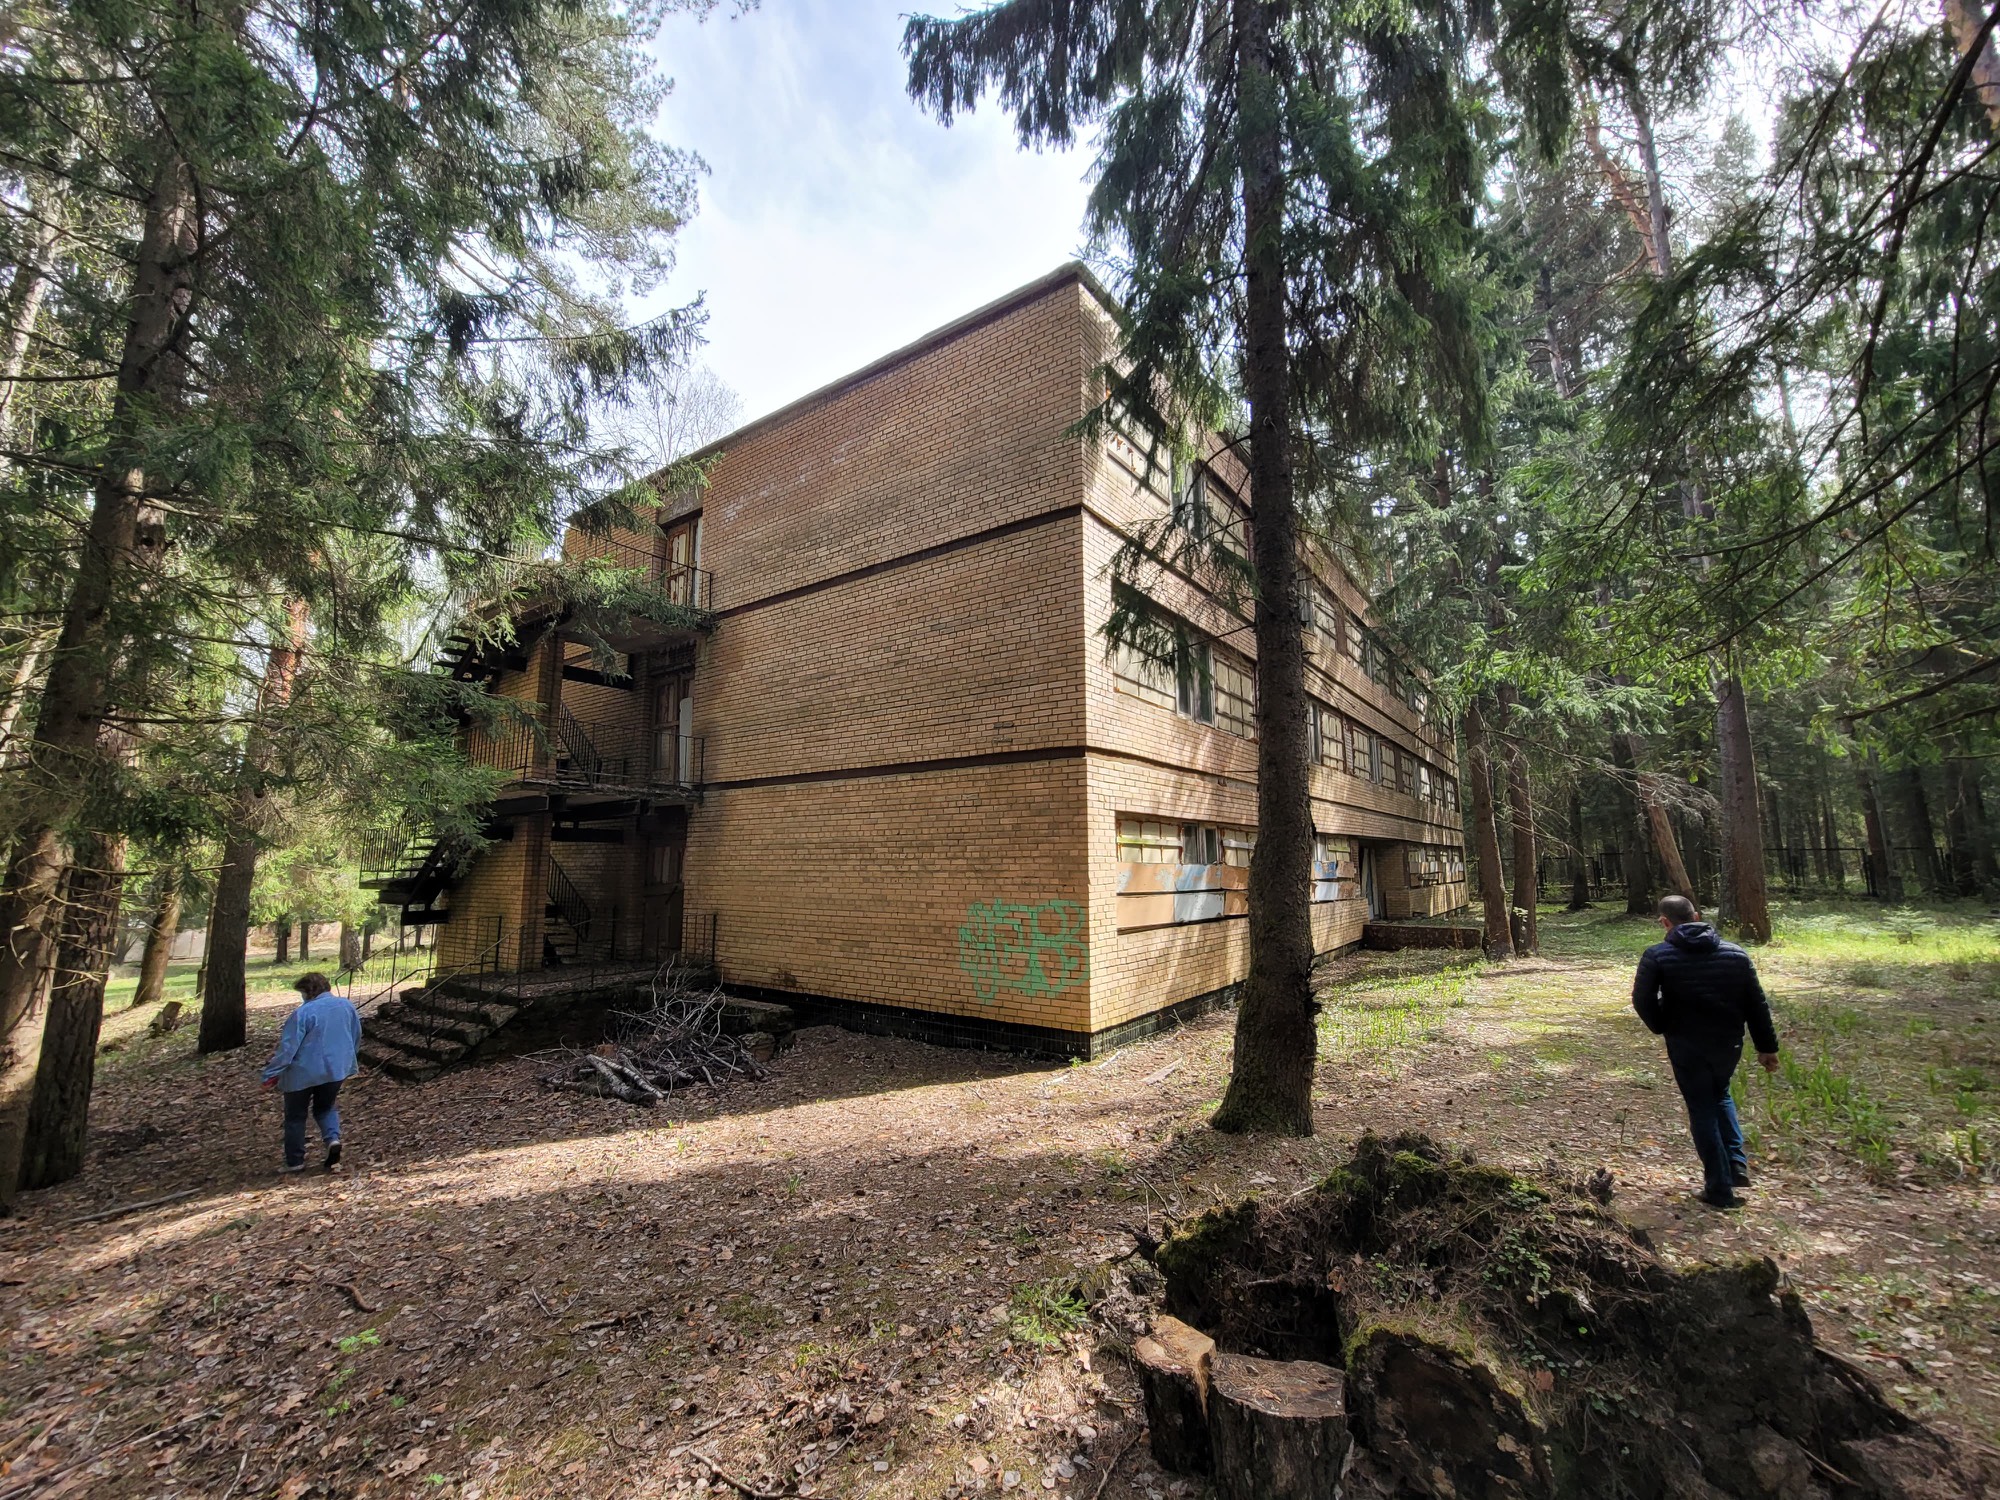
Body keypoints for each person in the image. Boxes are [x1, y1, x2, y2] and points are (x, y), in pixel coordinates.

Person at [1631, 895, 1781, 1209]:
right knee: (1720, 1094)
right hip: (1728, 1044)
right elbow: (1757, 1004)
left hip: (1686, 1044)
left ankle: (1720, 1188)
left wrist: (1661, 1024)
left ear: (1664, 922)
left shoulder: (1658, 956)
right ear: (1696, 916)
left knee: (1702, 1107)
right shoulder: (1735, 954)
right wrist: (1767, 1047)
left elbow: (1642, 1000)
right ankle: (1736, 1163)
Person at [261, 971, 361, 1174]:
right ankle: (332, 1139)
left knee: (295, 1116)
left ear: (307, 992)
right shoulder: (346, 1006)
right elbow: (356, 1034)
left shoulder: (303, 1013)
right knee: (325, 1108)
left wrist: (271, 1073)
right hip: (335, 1069)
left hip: (302, 1073)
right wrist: (348, 1058)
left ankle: (295, 1160)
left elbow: (288, 1049)